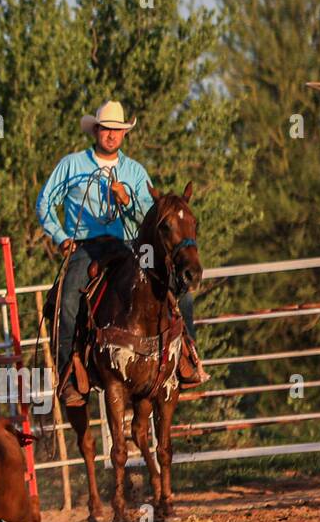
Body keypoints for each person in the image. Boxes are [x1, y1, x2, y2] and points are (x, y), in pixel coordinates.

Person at [35, 100, 207, 406]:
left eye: (117, 130)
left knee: (179, 285)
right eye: (106, 129)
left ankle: (187, 357)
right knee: (67, 300)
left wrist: (127, 200)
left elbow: (155, 217)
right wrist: (61, 237)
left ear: (124, 134)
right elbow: (45, 202)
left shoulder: (135, 172)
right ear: (96, 130)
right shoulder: (72, 165)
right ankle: (69, 377)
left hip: (129, 245)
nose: (111, 135)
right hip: (86, 245)